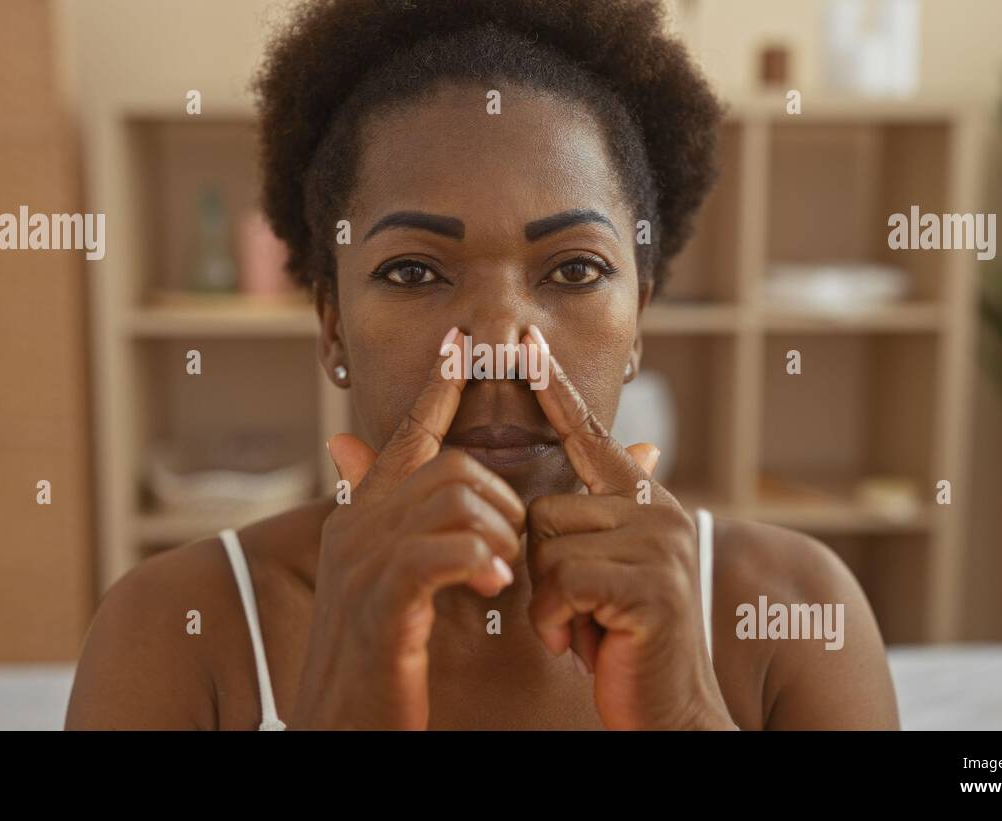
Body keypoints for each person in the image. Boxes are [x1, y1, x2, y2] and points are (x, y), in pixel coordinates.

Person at [66, 0, 900, 730]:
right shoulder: (179, 625)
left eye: (574, 270)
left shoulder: (793, 612)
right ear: (331, 325)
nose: (501, 341)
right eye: (413, 272)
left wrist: (684, 715)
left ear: (639, 317)